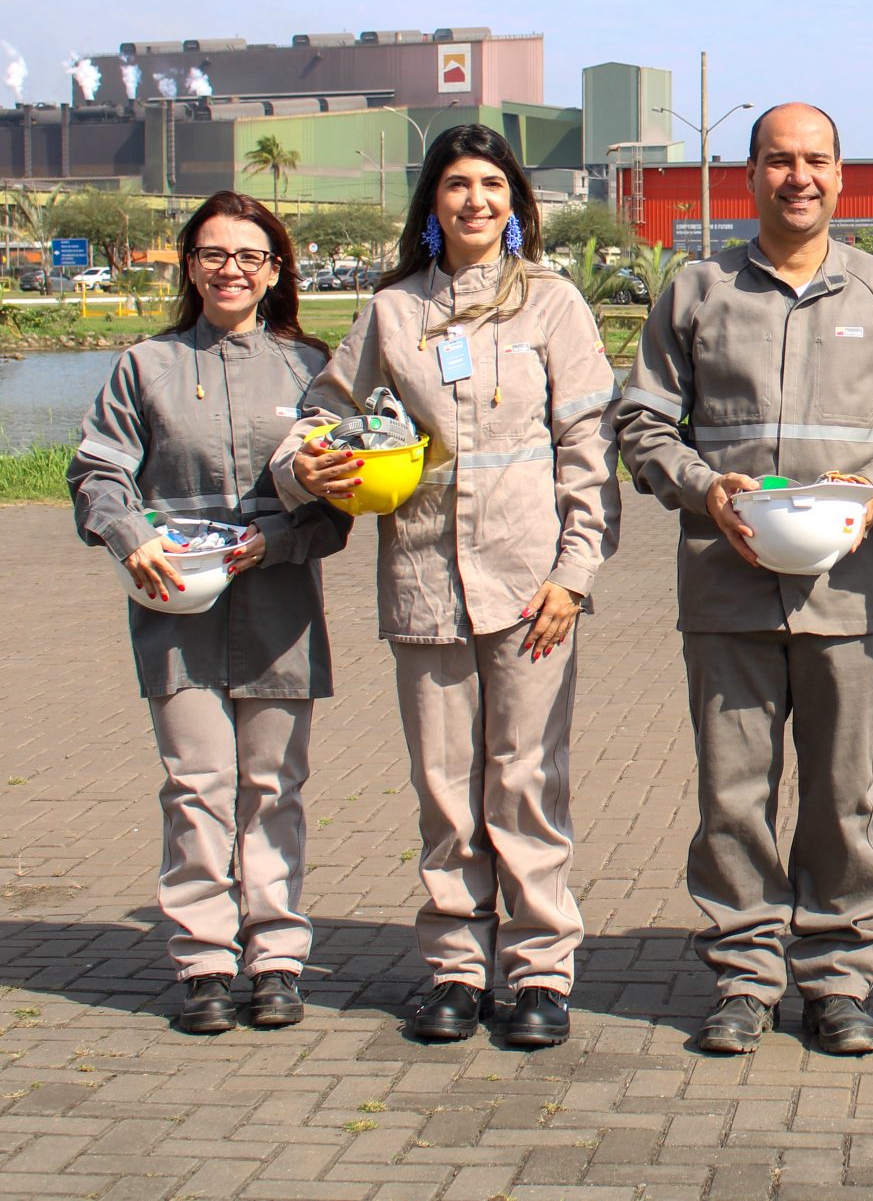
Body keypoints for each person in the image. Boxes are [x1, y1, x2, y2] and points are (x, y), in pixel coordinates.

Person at [274, 124, 620, 1048]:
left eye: (493, 186)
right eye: (458, 185)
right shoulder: (393, 313)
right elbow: (319, 418)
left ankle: (541, 971)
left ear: (516, 205)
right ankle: (457, 969)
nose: (476, 200)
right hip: (425, 579)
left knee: (526, 779)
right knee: (445, 787)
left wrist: (574, 574)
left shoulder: (553, 305)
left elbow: (589, 451)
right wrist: (307, 469)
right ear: (432, 204)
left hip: (530, 585)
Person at [616, 103, 873, 1057]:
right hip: (725, 587)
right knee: (733, 797)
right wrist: (700, 487)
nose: (797, 177)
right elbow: (641, 423)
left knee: (843, 798)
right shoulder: (697, 290)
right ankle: (745, 977)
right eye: (777, 161)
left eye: (815, 160)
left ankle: (838, 979)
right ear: (748, 175)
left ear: (841, 175)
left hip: (850, 595)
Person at [69, 191, 351, 1034]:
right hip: (176, 607)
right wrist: (127, 536)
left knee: (273, 787)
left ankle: (275, 958)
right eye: (215, 254)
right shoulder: (144, 366)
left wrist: (277, 538)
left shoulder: (312, 370)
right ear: (190, 264)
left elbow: (337, 503)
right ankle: (202, 959)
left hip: (279, 608)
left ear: (274, 272)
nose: (232, 270)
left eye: (251, 256)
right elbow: (98, 471)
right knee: (197, 786)